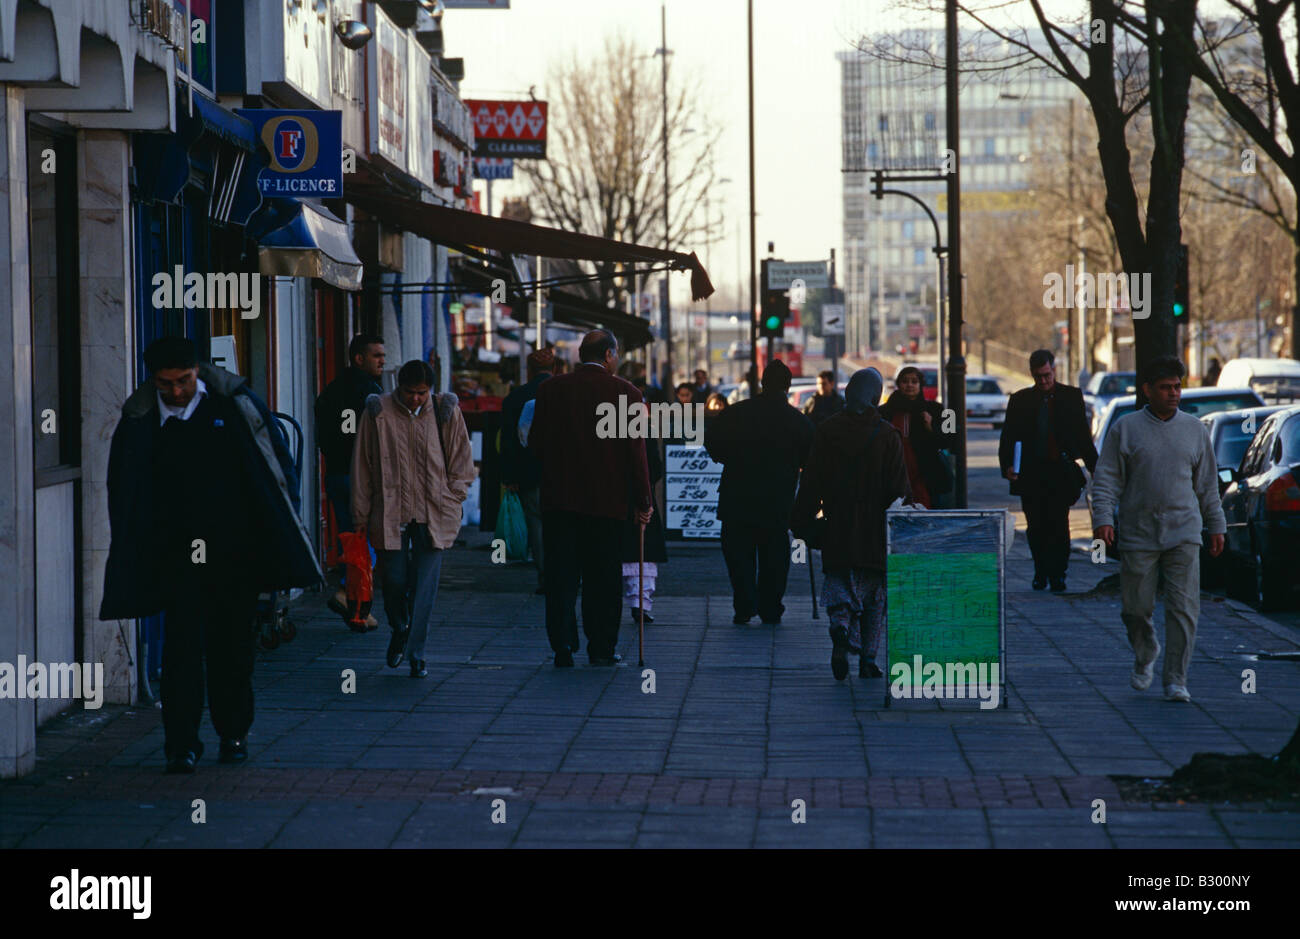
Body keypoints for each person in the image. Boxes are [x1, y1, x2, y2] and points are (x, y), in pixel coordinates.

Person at [100, 336, 322, 774]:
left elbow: (277, 469)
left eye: (184, 380)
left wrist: (277, 533)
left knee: (233, 651)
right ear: (153, 379)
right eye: (167, 383)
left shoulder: (232, 407)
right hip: (174, 557)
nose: (177, 391)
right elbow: (123, 488)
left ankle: (233, 732)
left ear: (197, 371)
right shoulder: (140, 419)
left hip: (233, 555)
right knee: (180, 655)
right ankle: (180, 746)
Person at [1090, 357, 1225, 703]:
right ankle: (1146, 648)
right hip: (1139, 532)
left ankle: (1176, 678)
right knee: (1135, 608)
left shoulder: (1195, 430)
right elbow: (1106, 480)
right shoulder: (1126, 429)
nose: (1173, 393)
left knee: (1183, 608)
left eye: (1177, 387)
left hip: (1184, 532)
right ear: (1147, 389)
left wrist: (1216, 525)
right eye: (1165, 387)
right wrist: (1103, 519)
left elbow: (1207, 486)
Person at [529, 329, 653, 667]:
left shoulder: (550, 389)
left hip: (560, 502)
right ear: (610, 354)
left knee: (561, 577)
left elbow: (537, 444)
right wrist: (644, 499)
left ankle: (563, 646)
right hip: (607, 505)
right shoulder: (627, 394)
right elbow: (636, 454)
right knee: (603, 579)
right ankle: (601, 647)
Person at [352, 360, 476, 678]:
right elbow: (363, 464)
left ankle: (416, 653)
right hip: (390, 510)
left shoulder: (445, 409)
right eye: (410, 392)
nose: (416, 399)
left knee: (425, 587)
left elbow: (463, 458)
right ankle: (399, 626)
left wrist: (455, 494)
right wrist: (360, 512)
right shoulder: (378, 411)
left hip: (435, 510)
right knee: (393, 579)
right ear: (399, 387)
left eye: (422, 393)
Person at [792, 368, 911, 680]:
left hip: (837, 523)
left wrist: (801, 521)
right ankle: (868, 659)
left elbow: (812, 480)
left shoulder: (828, 430)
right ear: (875, 395)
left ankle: (841, 626)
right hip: (875, 530)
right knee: (875, 595)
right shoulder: (887, 435)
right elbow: (899, 490)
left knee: (841, 583)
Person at [704, 359, 815, 626]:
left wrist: (728, 458)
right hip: (778, 500)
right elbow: (810, 462)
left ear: (763, 383)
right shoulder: (798, 421)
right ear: (788, 387)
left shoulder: (736, 413)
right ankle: (770, 607)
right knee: (774, 556)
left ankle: (744, 606)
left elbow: (712, 443)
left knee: (738, 555)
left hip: (737, 497)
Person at [998, 349, 1098, 592]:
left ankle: (1058, 574)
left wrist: (1098, 470)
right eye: (1038, 376)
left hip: (1059, 471)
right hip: (1031, 472)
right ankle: (1040, 571)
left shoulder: (1071, 397)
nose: (1043, 381)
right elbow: (1008, 437)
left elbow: (1083, 438)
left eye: (1047, 375)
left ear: (1054, 370)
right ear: (1032, 374)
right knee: (1035, 526)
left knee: (1058, 525)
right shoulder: (1020, 400)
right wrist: (1007, 466)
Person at [314, 334, 384, 628]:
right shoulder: (371, 392)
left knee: (351, 540)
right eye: (376, 356)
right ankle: (346, 591)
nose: (382, 361)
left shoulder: (330, 390)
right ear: (359, 358)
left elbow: (323, 433)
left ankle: (358, 609)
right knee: (366, 541)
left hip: (336, 475)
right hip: (361, 479)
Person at [500, 348, 554, 595]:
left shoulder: (515, 397)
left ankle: (546, 577)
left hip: (530, 473)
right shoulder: (566, 393)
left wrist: (510, 476)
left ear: (529, 370)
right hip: (564, 474)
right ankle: (569, 575)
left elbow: (509, 441)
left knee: (537, 526)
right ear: (556, 369)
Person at [878, 365, 952, 508]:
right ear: (898, 384)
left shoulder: (937, 409)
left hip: (924, 473)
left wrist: (930, 427)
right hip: (892, 471)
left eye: (914, 381)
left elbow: (948, 441)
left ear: (920, 384)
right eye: (905, 381)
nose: (909, 385)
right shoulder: (884, 411)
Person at [622, 427, 668, 625]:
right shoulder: (640, 429)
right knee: (643, 555)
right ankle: (640, 604)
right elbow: (654, 467)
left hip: (611, 498)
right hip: (640, 496)